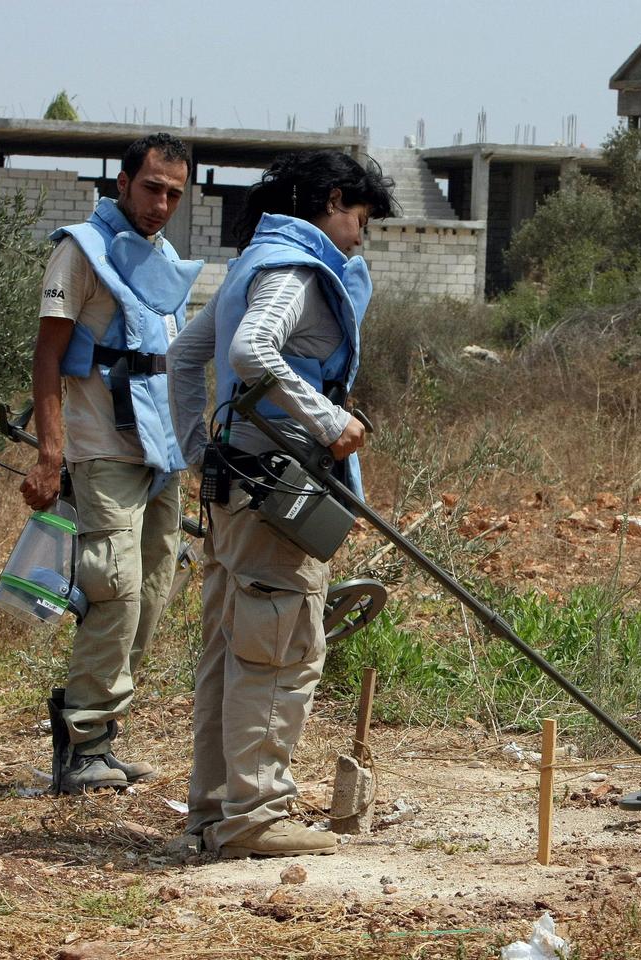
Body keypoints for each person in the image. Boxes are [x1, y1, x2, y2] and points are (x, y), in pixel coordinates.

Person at [168, 151, 396, 858]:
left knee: (229, 651)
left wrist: (199, 450)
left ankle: (213, 813)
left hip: (238, 487)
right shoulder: (296, 269)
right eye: (360, 220)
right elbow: (251, 350)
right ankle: (258, 815)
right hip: (276, 489)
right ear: (333, 201)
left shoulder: (249, 264)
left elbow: (184, 359)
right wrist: (329, 423)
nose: (359, 238)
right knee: (279, 646)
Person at [21, 133, 201, 794]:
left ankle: (94, 733)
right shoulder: (81, 251)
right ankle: (84, 745)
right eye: (152, 187)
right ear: (122, 182)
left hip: (161, 457)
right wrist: (50, 453)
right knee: (114, 593)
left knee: (150, 600)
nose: (161, 203)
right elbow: (48, 355)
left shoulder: (164, 258)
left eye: (174, 194)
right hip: (101, 453)